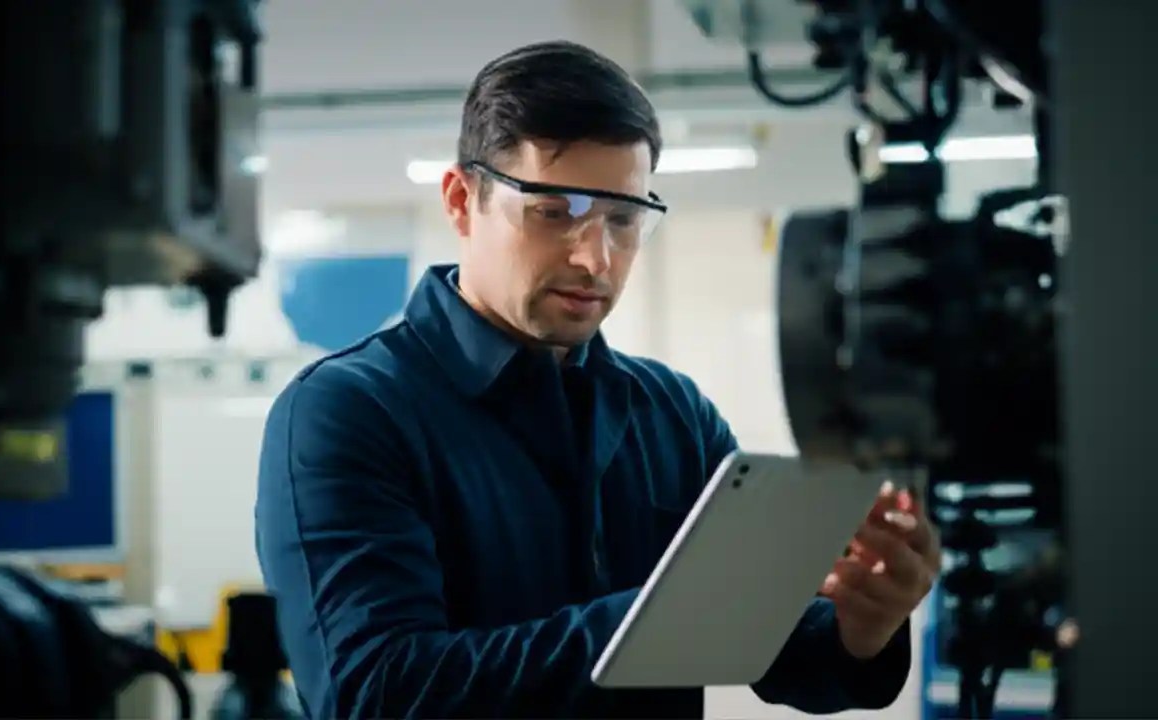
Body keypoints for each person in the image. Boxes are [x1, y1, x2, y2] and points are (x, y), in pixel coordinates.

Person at [255, 40, 942, 719]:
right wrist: (654, 621)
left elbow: (772, 650)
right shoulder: (346, 412)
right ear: (463, 200)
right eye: (556, 212)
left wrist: (860, 623)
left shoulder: (671, 413)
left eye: (625, 219)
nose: (596, 258)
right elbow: (374, 694)